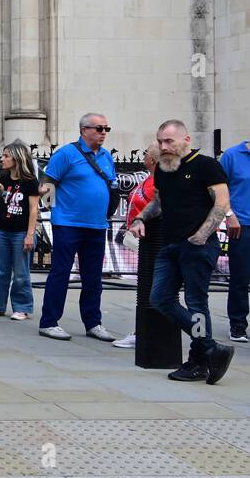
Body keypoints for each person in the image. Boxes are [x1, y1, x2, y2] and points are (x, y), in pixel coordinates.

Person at [130, 120, 235, 384]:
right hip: (170, 245)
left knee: (197, 303)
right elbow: (159, 202)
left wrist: (200, 236)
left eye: (169, 141)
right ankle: (210, 349)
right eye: (160, 141)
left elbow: (221, 203)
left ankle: (198, 361)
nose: (164, 147)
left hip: (198, 247)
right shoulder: (165, 170)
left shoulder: (207, 166)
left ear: (186, 139)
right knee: (161, 298)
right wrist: (141, 218)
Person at [38, 112, 119, 342]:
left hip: (96, 225)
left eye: (106, 129)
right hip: (68, 223)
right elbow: (47, 183)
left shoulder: (106, 156)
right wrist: (54, 212)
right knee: (61, 272)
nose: (103, 133)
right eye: (98, 128)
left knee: (93, 276)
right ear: (84, 130)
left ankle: (93, 322)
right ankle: (49, 322)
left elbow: (111, 184)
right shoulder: (66, 154)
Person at [111, 143, 160, 349]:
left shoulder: (158, 183)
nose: (143, 155)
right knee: (145, 287)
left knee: (151, 287)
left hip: (152, 240)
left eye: (146, 153)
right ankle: (144, 330)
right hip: (140, 238)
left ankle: (146, 332)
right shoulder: (147, 179)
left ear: (154, 160)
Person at [0, 141, 40, 321]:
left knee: (20, 273)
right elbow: (5, 198)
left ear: (17, 159)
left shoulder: (30, 181)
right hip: (3, 230)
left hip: (20, 231)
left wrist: (30, 234)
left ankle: (22, 307)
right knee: (0, 271)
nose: (2, 159)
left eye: (6, 156)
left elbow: (34, 209)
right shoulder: (4, 178)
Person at [219, 138, 249, 343]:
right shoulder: (232, 156)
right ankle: (238, 324)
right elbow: (219, 189)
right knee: (240, 277)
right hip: (242, 225)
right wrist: (229, 215)